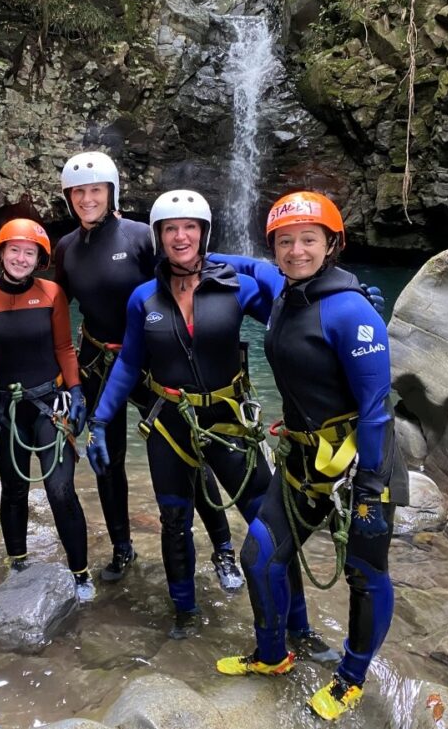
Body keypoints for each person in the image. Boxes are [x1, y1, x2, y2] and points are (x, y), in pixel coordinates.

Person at [214, 191, 409, 722]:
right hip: (302, 459)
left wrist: (370, 489)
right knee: (259, 556)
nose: (295, 250)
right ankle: (272, 655)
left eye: (308, 239)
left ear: (331, 244)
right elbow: (248, 265)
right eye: (285, 241)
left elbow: (375, 409)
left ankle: (350, 680)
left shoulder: (352, 311)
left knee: (365, 574)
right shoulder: (283, 290)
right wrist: (186, 253)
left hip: (361, 464)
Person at [85, 190, 276, 638]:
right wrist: (99, 421)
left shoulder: (237, 286)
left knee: (267, 522)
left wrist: (337, 297)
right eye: (170, 228)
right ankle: (185, 612)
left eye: (190, 227)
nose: (180, 236)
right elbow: (128, 363)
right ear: (158, 237)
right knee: (175, 522)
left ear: (204, 233)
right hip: (169, 424)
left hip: (229, 421)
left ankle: (287, 620)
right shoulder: (143, 299)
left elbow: (289, 322)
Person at [52, 151, 245, 591]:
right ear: (68, 197)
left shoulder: (141, 237)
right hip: (98, 361)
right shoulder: (66, 249)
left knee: (188, 452)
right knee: (107, 457)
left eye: (95, 190)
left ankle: (222, 547)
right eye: (78, 192)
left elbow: (193, 271)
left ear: (111, 192)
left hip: (152, 361)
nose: (87, 199)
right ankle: (122, 546)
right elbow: (54, 306)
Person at [0, 218, 94, 602]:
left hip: (50, 404)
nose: (21, 258)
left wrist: (77, 393)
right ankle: (18, 563)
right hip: (8, 408)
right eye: (14, 250)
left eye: (29, 252)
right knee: (14, 490)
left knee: (60, 490)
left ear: (39, 259)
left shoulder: (52, 294)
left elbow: (64, 348)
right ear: (1, 253)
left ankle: (81, 573)